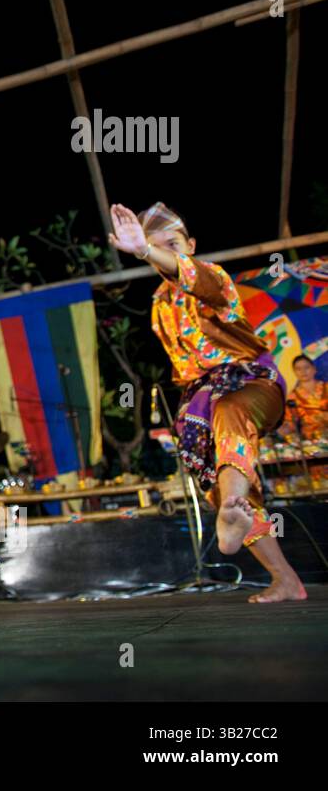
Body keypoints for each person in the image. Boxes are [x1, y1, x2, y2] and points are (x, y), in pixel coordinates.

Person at [108, 202, 306, 602]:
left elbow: (193, 278)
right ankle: (284, 577)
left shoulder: (212, 277)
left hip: (252, 385)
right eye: (155, 245)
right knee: (221, 485)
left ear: (191, 245)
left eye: (174, 244)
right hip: (204, 404)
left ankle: (231, 505)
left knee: (230, 410)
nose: (167, 251)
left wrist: (145, 249)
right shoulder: (159, 306)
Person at [280, 354, 328, 443]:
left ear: (314, 369)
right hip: (310, 440)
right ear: (294, 372)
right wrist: (284, 429)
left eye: (306, 367)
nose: (303, 371)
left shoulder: (326, 387)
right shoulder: (292, 396)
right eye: (298, 369)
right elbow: (291, 422)